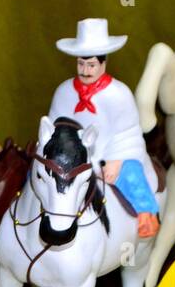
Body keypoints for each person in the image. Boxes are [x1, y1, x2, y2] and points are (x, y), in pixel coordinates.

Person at [47, 19, 159, 238]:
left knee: (131, 177)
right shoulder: (64, 92)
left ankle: (147, 217)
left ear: (103, 64)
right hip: (70, 159)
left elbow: (128, 133)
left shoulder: (119, 94)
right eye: (81, 64)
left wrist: (116, 160)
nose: (85, 70)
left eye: (91, 65)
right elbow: (53, 128)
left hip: (110, 155)